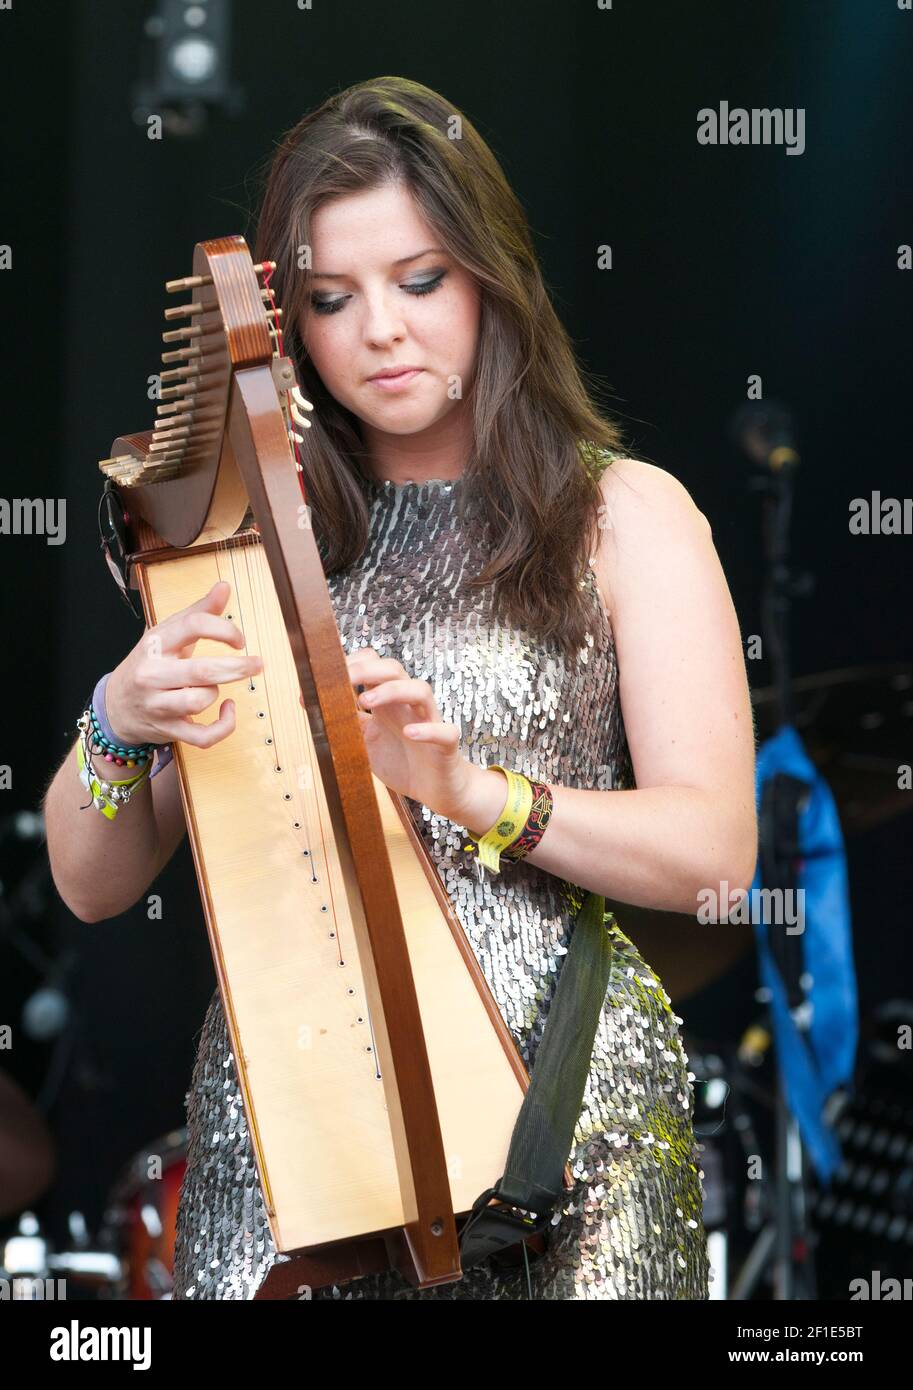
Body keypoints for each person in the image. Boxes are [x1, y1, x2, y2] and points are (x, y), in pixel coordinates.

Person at [43, 76, 757, 1300]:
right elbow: (94, 882)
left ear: (492, 278)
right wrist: (117, 723)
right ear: (285, 324)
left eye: (421, 281)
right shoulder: (244, 554)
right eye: (331, 298)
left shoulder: (623, 516)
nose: (380, 329)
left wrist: (471, 789)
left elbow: (717, 860)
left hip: (566, 1139)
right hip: (290, 1158)